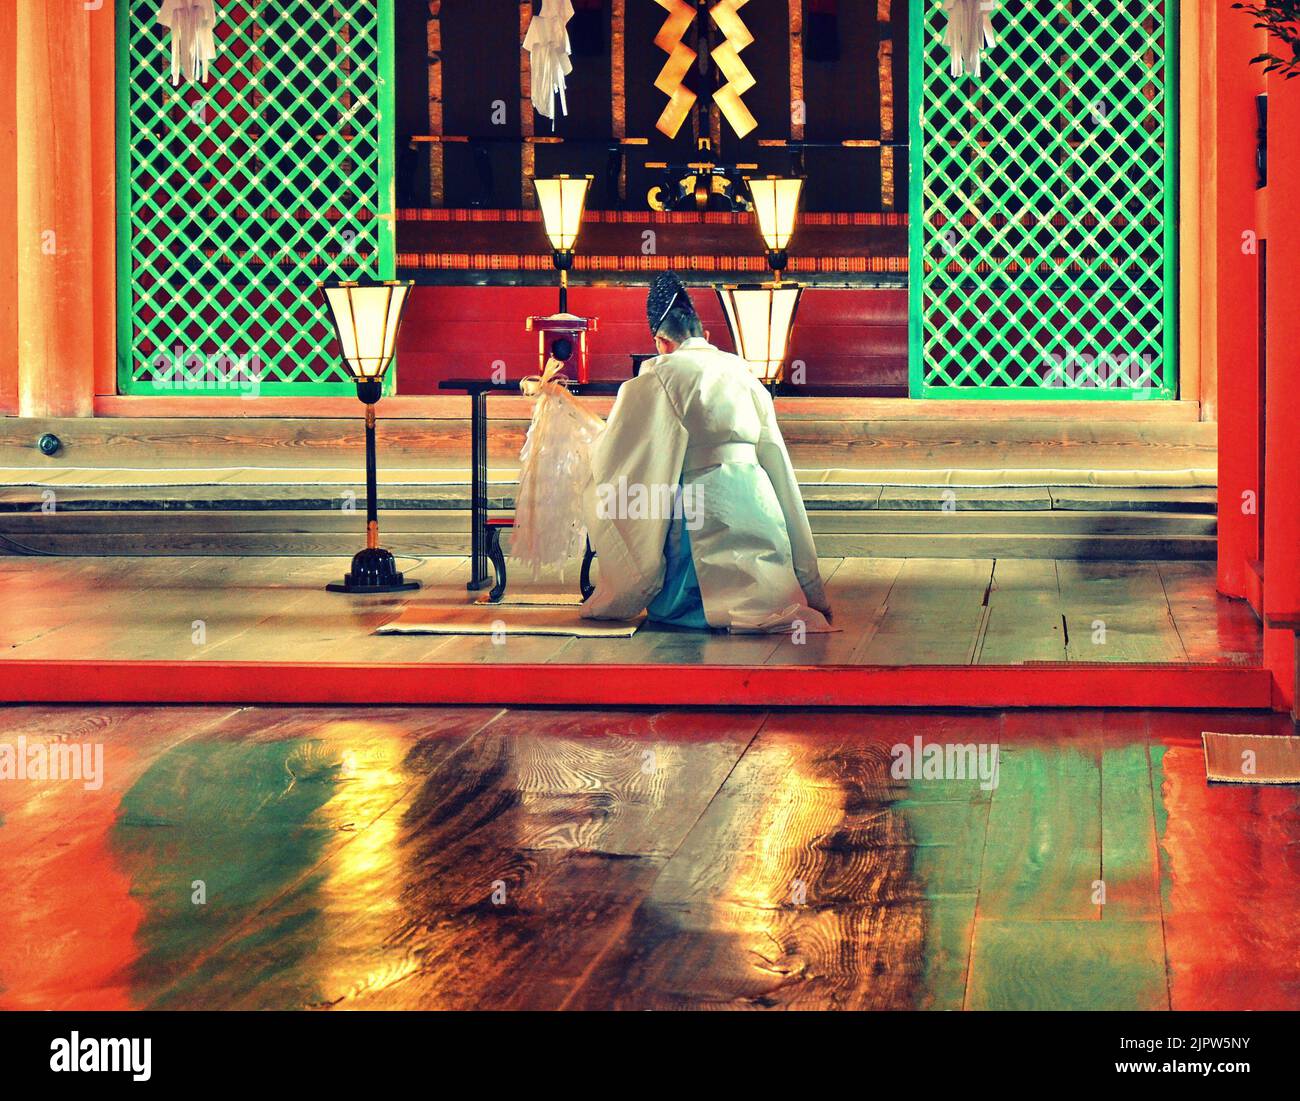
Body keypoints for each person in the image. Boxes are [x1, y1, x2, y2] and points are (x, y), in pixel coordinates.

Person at [580, 272, 832, 633]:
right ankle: (776, 593)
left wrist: (590, 449)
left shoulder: (659, 375)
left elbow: (624, 449)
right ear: (704, 335)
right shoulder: (740, 370)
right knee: (762, 574)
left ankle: (692, 608)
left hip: (699, 498)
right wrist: (810, 581)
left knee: (656, 503)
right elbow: (773, 449)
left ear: (661, 342)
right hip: (755, 493)